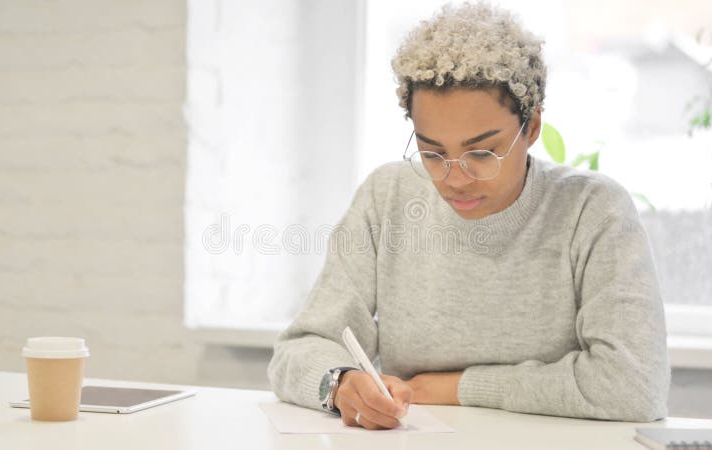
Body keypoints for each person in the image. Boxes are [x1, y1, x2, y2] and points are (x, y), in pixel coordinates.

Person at [267, 2, 670, 430]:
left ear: (531, 128)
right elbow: (299, 349)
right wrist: (340, 383)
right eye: (433, 152)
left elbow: (634, 385)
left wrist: (454, 388)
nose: (454, 179)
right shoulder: (387, 197)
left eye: (481, 152)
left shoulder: (593, 211)